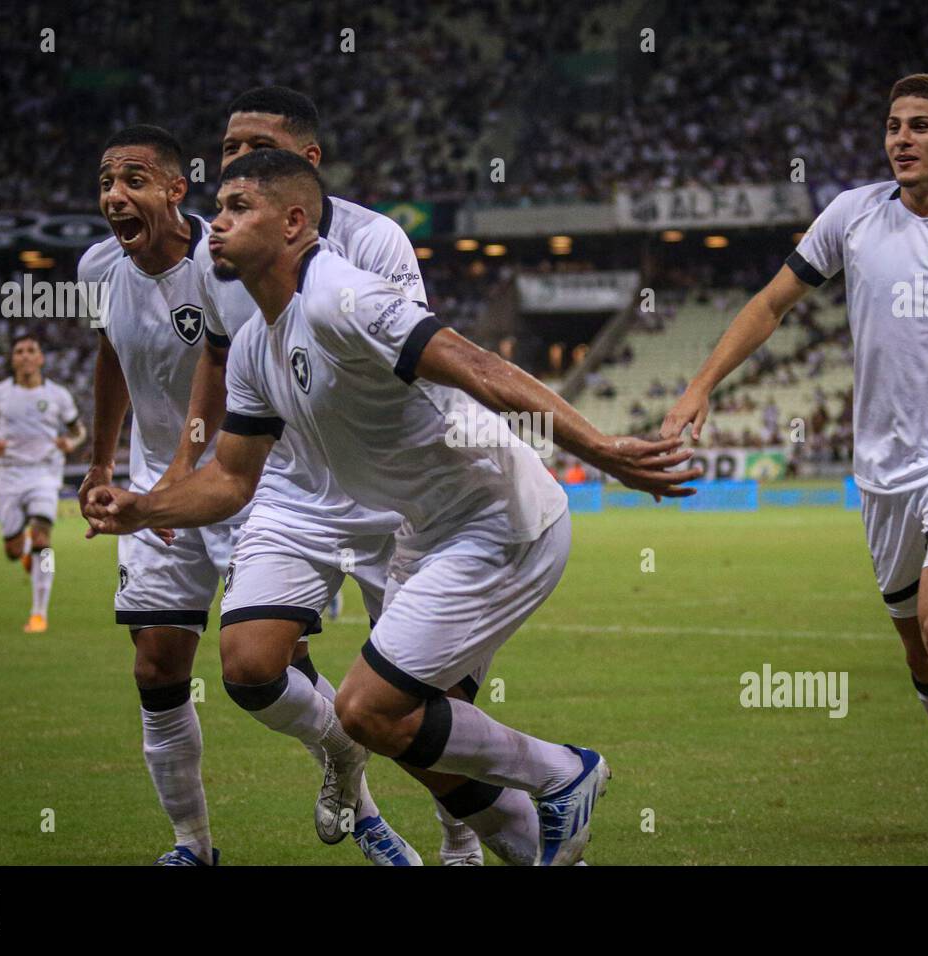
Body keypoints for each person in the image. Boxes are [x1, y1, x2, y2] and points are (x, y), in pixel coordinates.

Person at [84, 148, 699, 865]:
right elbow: (230, 481)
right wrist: (143, 507)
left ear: (293, 223)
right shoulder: (254, 345)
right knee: (409, 734)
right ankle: (542, 849)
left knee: (367, 708)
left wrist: (604, 451)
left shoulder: (343, 296)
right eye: (216, 208)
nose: (215, 225)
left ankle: (565, 774)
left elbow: (482, 369)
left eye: (237, 208)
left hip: (499, 521)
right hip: (424, 533)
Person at [663, 74, 928, 866]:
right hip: (884, 466)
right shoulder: (852, 216)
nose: (900, 139)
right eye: (892, 125)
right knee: (921, 659)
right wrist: (699, 384)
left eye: (920, 126)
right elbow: (771, 304)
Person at [77, 124, 412, 866]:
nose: (114, 196)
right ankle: (193, 845)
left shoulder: (222, 259)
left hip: (240, 480)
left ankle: (359, 797)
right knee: (157, 667)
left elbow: (223, 368)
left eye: (133, 179)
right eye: (105, 182)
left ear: (174, 188)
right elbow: (110, 355)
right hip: (151, 487)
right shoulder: (98, 265)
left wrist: (178, 472)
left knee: (271, 660)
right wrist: (102, 462)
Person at [160, 87, 454, 864]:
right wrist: (181, 468)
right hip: (292, 483)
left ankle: (462, 842)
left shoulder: (377, 241)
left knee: (431, 697)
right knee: (252, 665)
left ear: (308, 164)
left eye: (255, 143)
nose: (233, 159)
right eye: (225, 147)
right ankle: (343, 758)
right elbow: (220, 358)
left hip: (391, 489)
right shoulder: (213, 249)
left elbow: (415, 363)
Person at [0, 334, 85, 633]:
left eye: (31, 351)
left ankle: (39, 613)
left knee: (43, 540)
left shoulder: (58, 395)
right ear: (13, 360)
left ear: (41, 359)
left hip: (44, 474)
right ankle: (22, 547)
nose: (25, 356)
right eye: (19, 351)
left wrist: (69, 442)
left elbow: (79, 430)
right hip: (8, 474)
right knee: (13, 552)